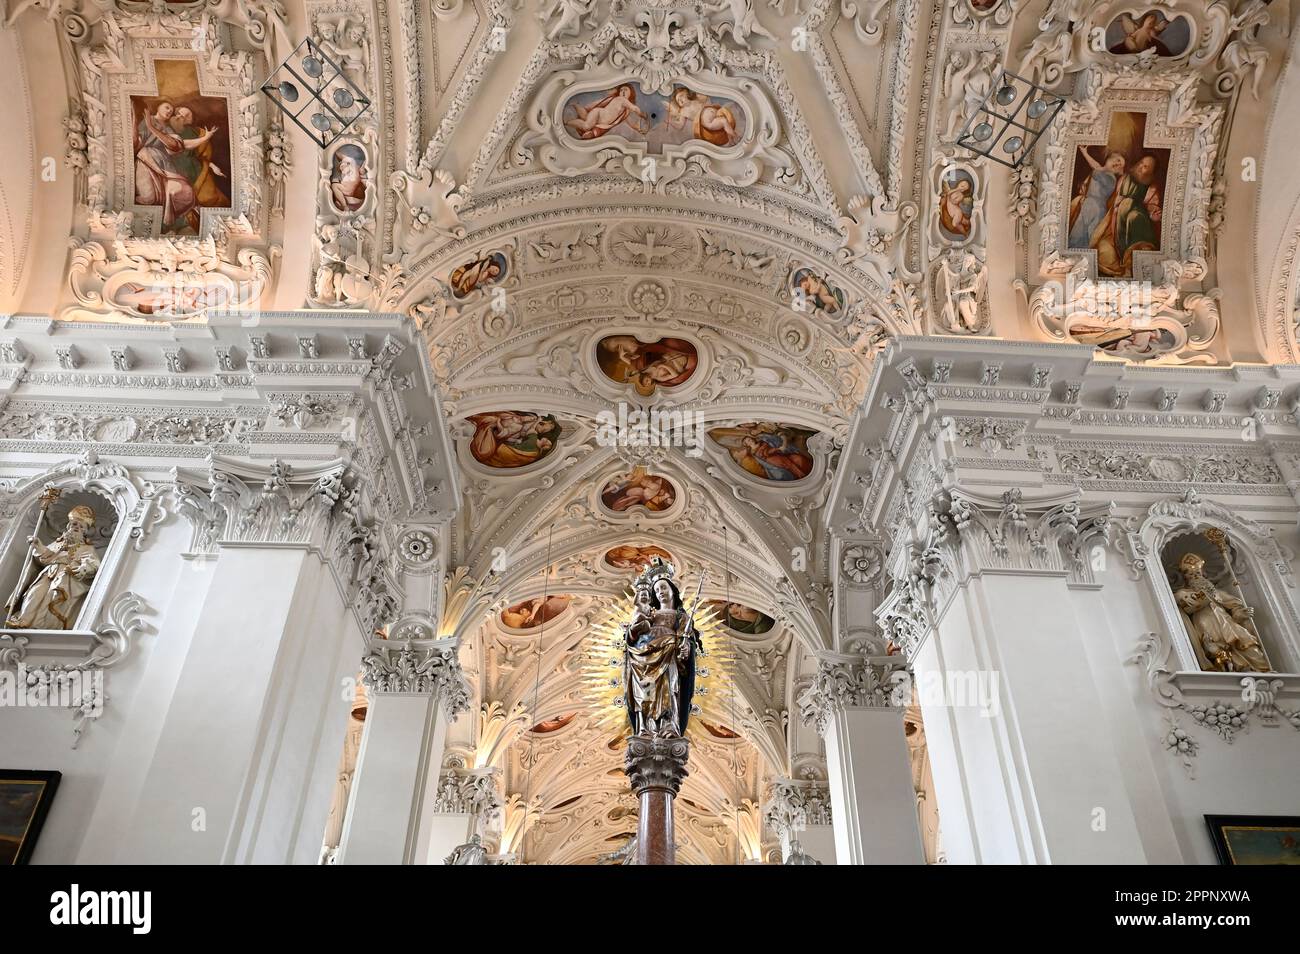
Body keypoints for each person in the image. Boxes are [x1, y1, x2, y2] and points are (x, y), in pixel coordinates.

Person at [5, 505, 101, 631]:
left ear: (85, 531)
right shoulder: (59, 543)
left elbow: (93, 563)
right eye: (74, 524)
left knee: (52, 597)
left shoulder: (87, 548)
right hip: (48, 573)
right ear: (68, 526)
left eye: (81, 526)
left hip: (66, 577)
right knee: (34, 593)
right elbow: (46, 556)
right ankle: (24, 620)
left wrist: (83, 568)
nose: (77, 527)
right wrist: (38, 545)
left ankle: (43, 625)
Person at [1173, 553, 1272, 673]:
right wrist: (1194, 596)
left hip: (1228, 625)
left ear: (1203, 574)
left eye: (1198, 573)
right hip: (1206, 626)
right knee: (1219, 653)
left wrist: (1240, 614)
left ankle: (1263, 672)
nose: (1195, 577)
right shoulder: (1183, 593)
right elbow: (1184, 602)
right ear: (1185, 577)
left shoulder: (1216, 592)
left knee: (1248, 646)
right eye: (1191, 574)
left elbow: (1234, 605)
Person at [134, 101, 220, 233]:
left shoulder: (168, 128)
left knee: (184, 191)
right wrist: (135, 120)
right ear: (158, 106)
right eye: (167, 107)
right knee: (149, 198)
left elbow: (178, 144)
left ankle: (179, 225)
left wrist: (204, 138)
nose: (170, 111)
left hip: (165, 164)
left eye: (171, 109)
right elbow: (137, 142)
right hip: (148, 161)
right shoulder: (148, 120)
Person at [1093, 154, 1162, 277]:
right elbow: (1110, 202)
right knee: (1103, 252)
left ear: (1151, 172)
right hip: (1115, 228)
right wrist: (1115, 202)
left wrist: (1153, 215)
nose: (1141, 166)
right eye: (1141, 162)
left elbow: (1153, 206)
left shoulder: (1151, 187)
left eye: (1146, 166)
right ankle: (1122, 267)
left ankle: (1132, 260)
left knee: (1134, 215)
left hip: (1136, 225)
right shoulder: (1124, 178)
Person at [1067, 146, 1125, 249]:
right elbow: (1096, 167)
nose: (1117, 164)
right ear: (1109, 157)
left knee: (1090, 238)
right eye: (1117, 160)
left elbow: (1097, 169)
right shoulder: (1102, 171)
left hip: (1097, 209)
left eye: (1120, 165)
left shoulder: (1110, 178)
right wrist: (1085, 153)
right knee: (1077, 235)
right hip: (1088, 205)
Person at [564, 85, 649, 139]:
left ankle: (575, 107)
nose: (622, 91)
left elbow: (628, 121)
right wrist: (642, 115)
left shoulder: (625, 111)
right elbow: (635, 108)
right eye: (621, 90)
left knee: (585, 118)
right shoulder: (621, 99)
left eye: (625, 90)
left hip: (600, 120)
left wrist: (637, 128)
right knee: (586, 126)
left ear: (631, 93)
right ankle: (566, 123)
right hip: (598, 114)